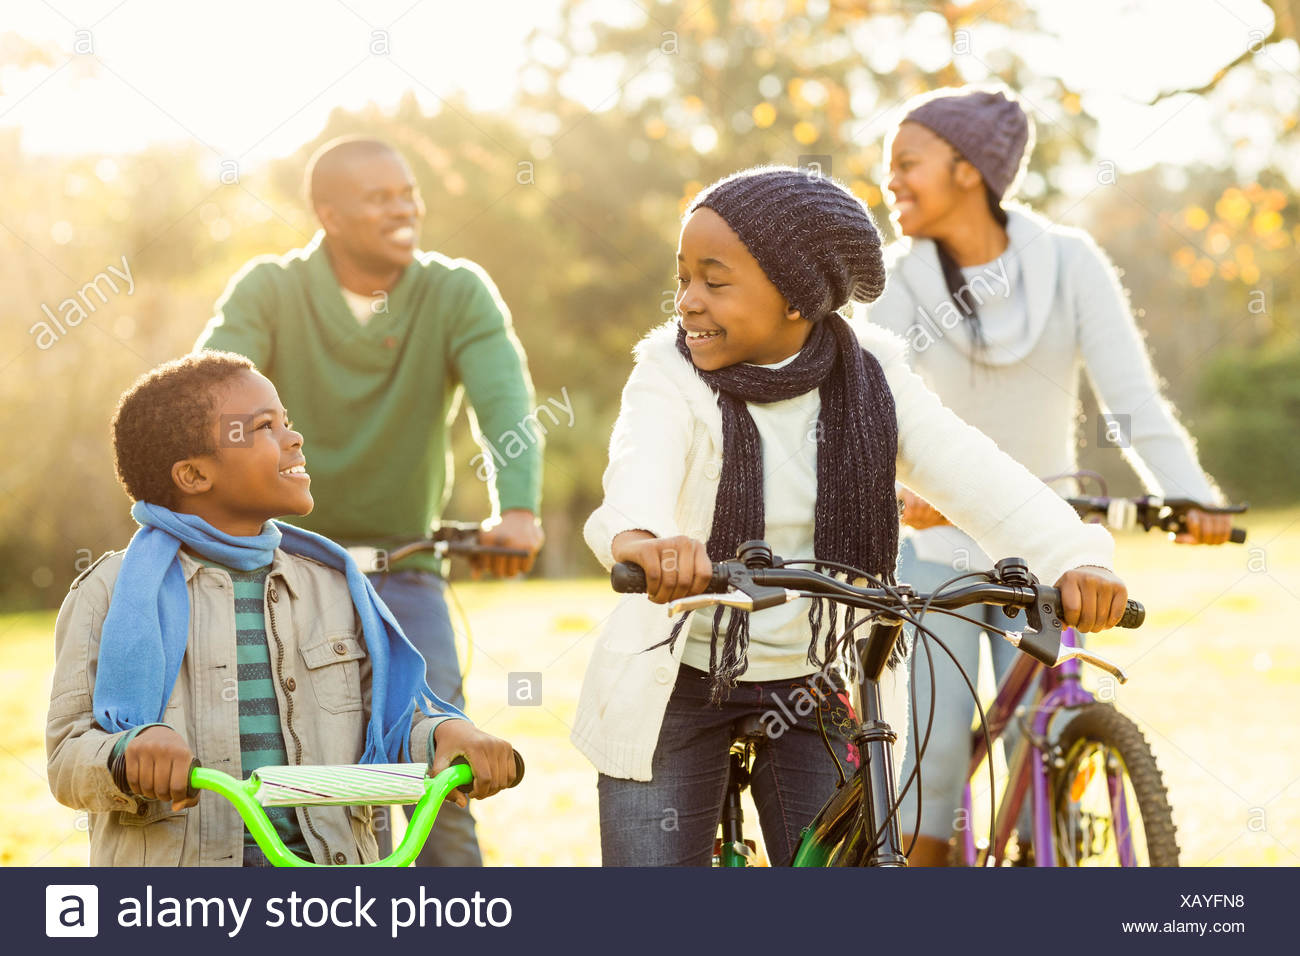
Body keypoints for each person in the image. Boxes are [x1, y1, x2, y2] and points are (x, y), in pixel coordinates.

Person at [574, 165, 1133, 867]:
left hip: (815, 672)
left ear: (798, 298)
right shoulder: (668, 373)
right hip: (682, 672)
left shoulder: (873, 377)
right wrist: (646, 540)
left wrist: (1073, 558)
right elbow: (639, 464)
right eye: (682, 277)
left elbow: (974, 471)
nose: (686, 302)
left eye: (714, 282)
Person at [868, 87, 1231, 866]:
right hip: (931, 550)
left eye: (907, 162)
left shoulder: (1069, 262)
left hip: (1050, 548)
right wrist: (898, 493)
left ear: (968, 169)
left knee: (1047, 744)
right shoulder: (892, 280)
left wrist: (1189, 494)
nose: (887, 179)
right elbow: (875, 408)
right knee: (929, 773)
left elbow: (1130, 401)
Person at [194, 136, 543, 866]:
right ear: (328, 213)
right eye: (380, 197)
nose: (404, 207)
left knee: (444, 772)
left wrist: (518, 509)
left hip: (403, 572)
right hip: (275, 572)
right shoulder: (271, 290)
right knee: (267, 774)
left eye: (409, 192)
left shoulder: (454, 292)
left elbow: (504, 403)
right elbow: (210, 393)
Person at [45, 352, 518, 866]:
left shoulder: (336, 587)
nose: (293, 438)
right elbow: (68, 755)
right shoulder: (108, 593)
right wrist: (126, 754)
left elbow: (392, 723)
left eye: (286, 422)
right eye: (264, 427)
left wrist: (450, 734)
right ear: (195, 475)